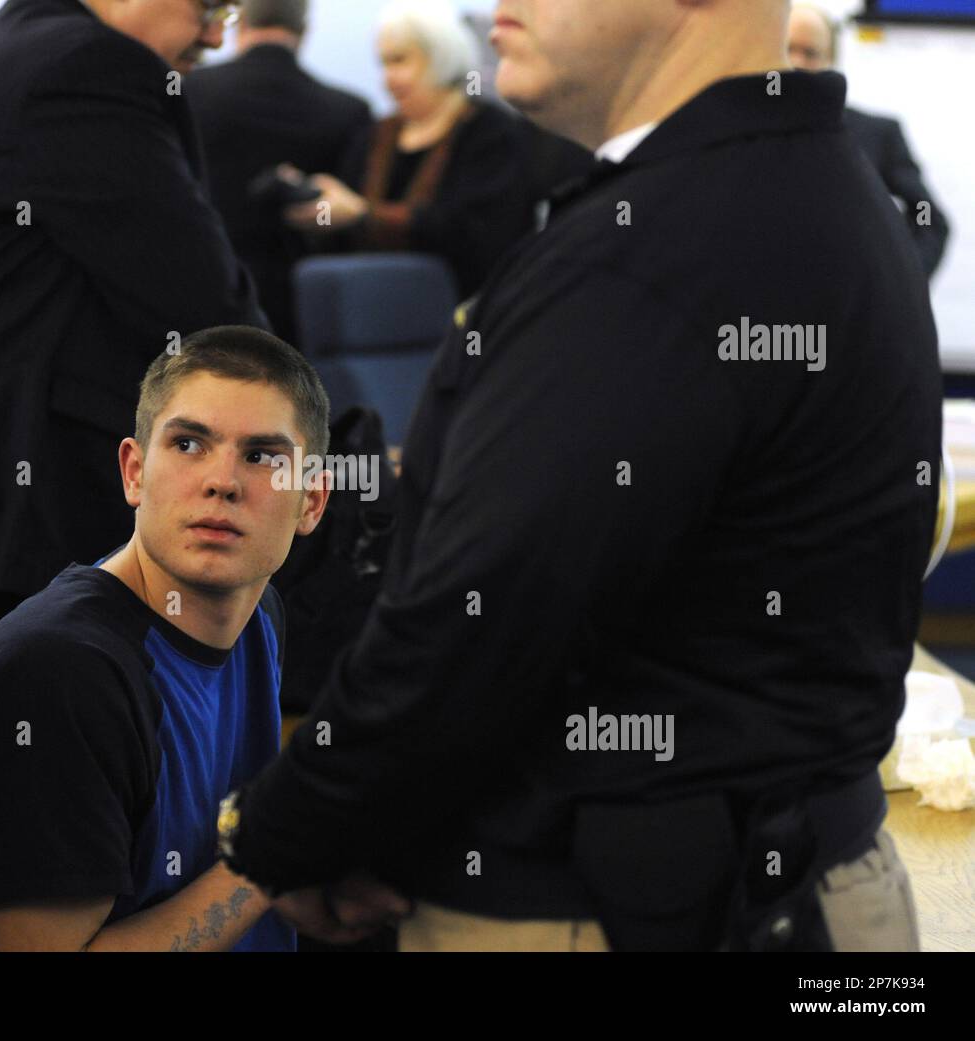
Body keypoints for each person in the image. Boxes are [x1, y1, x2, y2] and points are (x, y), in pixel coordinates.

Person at [216, 0, 941, 952]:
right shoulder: (807, 195)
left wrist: (284, 835)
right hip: (778, 884)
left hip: (629, 907)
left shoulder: (668, 247)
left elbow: (473, 621)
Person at [0, 325, 332, 951]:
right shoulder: (58, 677)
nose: (222, 482)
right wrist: (268, 858)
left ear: (311, 502)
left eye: (262, 457)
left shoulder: (261, 614)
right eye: (188, 443)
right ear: (134, 472)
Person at [0, 0, 266, 635]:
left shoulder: (6, 45)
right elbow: (209, 314)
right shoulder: (86, 65)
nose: (215, 34)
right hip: (11, 516)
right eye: (208, 5)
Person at [283, 0, 539, 300]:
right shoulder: (375, 135)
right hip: (372, 307)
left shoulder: (491, 132)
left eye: (400, 60)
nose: (388, 79)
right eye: (383, 63)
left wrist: (364, 214)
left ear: (440, 57)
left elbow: (477, 234)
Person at [186, 0, 372, 344]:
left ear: (239, 24)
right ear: (304, 31)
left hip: (202, 296)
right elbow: (341, 224)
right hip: (305, 308)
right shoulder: (349, 110)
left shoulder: (190, 92)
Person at [787, 3, 950, 277]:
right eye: (788, 49)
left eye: (810, 52)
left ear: (831, 60)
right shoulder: (737, 133)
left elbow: (926, 216)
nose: (798, 63)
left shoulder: (875, 134)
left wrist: (904, 285)